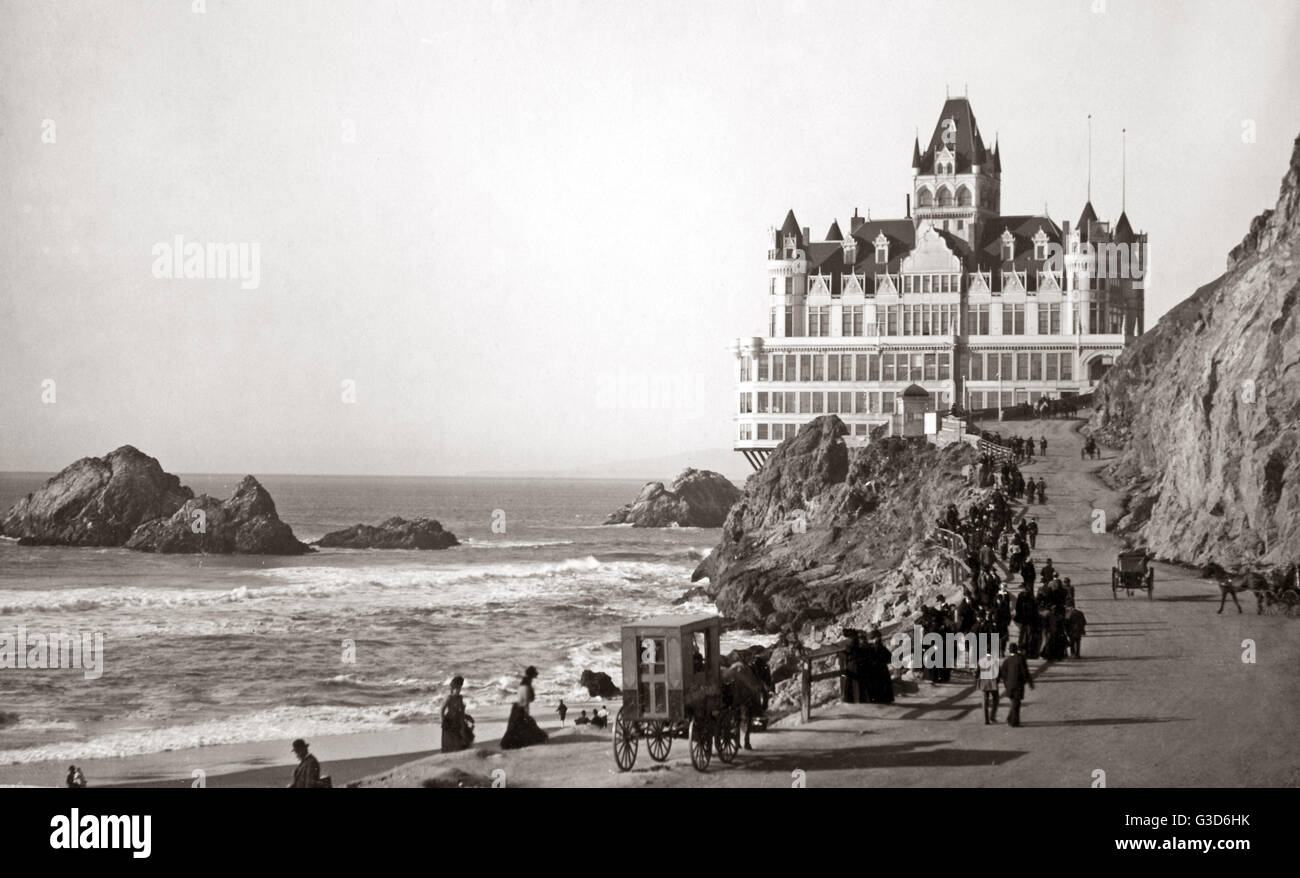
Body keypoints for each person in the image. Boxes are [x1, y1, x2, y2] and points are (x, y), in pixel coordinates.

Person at [501, 666, 549, 749]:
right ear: (532, 675)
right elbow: (526, 702)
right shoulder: (527, 686)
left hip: (517, 709)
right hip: (521, 711)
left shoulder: (523, 683)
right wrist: (526, 715)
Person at [998, 644, 1034, 727]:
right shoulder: (1020, 659)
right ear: (1016, 649)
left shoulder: (1007, 661)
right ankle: (1014, 722)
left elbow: (1003, 673)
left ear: (1009, 651)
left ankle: (1010, 718)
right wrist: (1029, 682)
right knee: (1016, 703)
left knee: (1014, 702)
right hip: (1018, 684)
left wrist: (1006, 683)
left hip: (1009, 685)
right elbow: (1025, 672)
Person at [440, 675, 475, 752]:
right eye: (457, 688)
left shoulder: (460, 697)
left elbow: (460, 711)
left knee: (466, 735)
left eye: (460, 688)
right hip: (449, 721)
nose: (458, 690)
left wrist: (467, 716)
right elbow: (442, 709)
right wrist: (442, 721)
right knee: (451, 744)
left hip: (457, 719)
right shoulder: (449, 698)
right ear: (452, 689)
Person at [862, 629, 895, 704]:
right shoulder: (879, 646)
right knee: (883, 684)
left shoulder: (873, 647)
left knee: (879, 684)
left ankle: (881, 699)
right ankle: (886, 699)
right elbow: (889, 657)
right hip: (882, 668)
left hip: (876, 669)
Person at [978, 650, 1001, 724]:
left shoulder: (981, 661)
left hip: (984, 683)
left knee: (984, 702)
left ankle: (986, 719)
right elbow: (999, 673)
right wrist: (997, 680)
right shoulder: (995, 661)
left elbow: (976, 672)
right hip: (993, 683)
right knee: (996, 700)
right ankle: (992, 716)